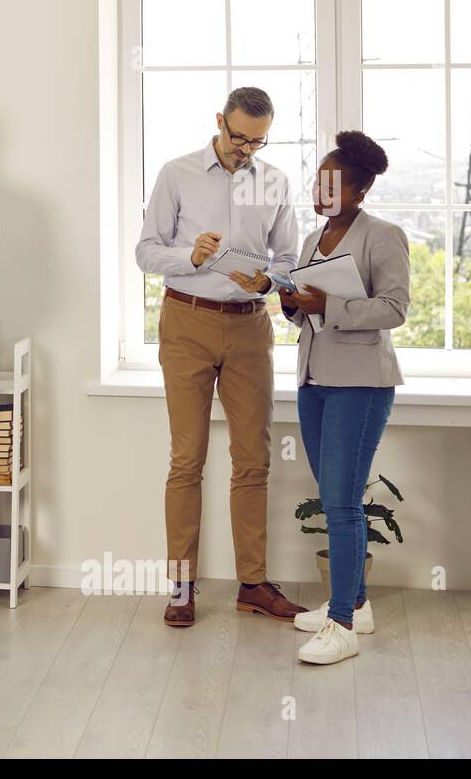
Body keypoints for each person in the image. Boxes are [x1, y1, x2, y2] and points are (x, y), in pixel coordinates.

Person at [135, 86, 307, 627]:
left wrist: (270, 277)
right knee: (187, 459)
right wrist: (192, 255)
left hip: (250, 327)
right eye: (238, 138)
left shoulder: (275, 181)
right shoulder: (177, 173)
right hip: (186, 321)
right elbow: (145, 250)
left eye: (257, 142)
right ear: (219, 123)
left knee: (252, 460)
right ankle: (182, 588)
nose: (246, 150)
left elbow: (289, 259)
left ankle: (252, 584)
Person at [280, 131, 408, 665]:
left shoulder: (383, 236)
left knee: (340, 503)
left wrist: (326, 304)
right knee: (332, 492)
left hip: (361, 383)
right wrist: (291, 302)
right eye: (317, 180)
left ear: (358, 193)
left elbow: (394, 309)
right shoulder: (313, 241)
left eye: (332, 185)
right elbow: (310, 311)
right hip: (315, 380)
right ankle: (355, 602)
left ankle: (341, 625)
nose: (320, 190)